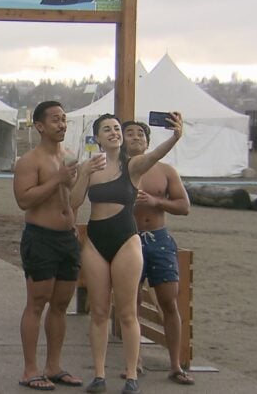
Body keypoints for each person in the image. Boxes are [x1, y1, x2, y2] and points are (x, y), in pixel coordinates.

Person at [70, 112, 183, 394]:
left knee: (127, 312)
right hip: (96, 239)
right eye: (107, 129)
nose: (114, 132)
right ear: (96, 137)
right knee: (98, 311)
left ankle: (132, 375)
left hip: (126, 240)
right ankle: (98, 374)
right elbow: (73, 201)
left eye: (117, 128)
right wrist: (83, 173)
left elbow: (155, 155)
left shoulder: (132, 165)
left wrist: (175, 136)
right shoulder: (90, 166)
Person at [11, 101, 84, 391]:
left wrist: (82, 178)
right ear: (40, 126)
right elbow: (24, 200)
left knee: (61, 305)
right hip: (41, 238)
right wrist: (57, 180)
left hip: (67, 239)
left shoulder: (69, 156)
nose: (62, 124)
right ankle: (30, 370)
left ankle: (54, 367)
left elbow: (72, 200)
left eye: (64, 119)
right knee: (37, 303)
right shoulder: (30, 161)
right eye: (55, 119)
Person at [122, 120, 195, 386]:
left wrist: (156, 202)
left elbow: (184, 206)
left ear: (149, 141)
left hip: (159, 240)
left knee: (168, 301)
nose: (136, 137)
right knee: (132, 304)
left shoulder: (164, 171)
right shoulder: (116, 170)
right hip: (128, 238)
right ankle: (135, 361)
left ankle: (175, 364)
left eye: (141, 133)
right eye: (129, 133)